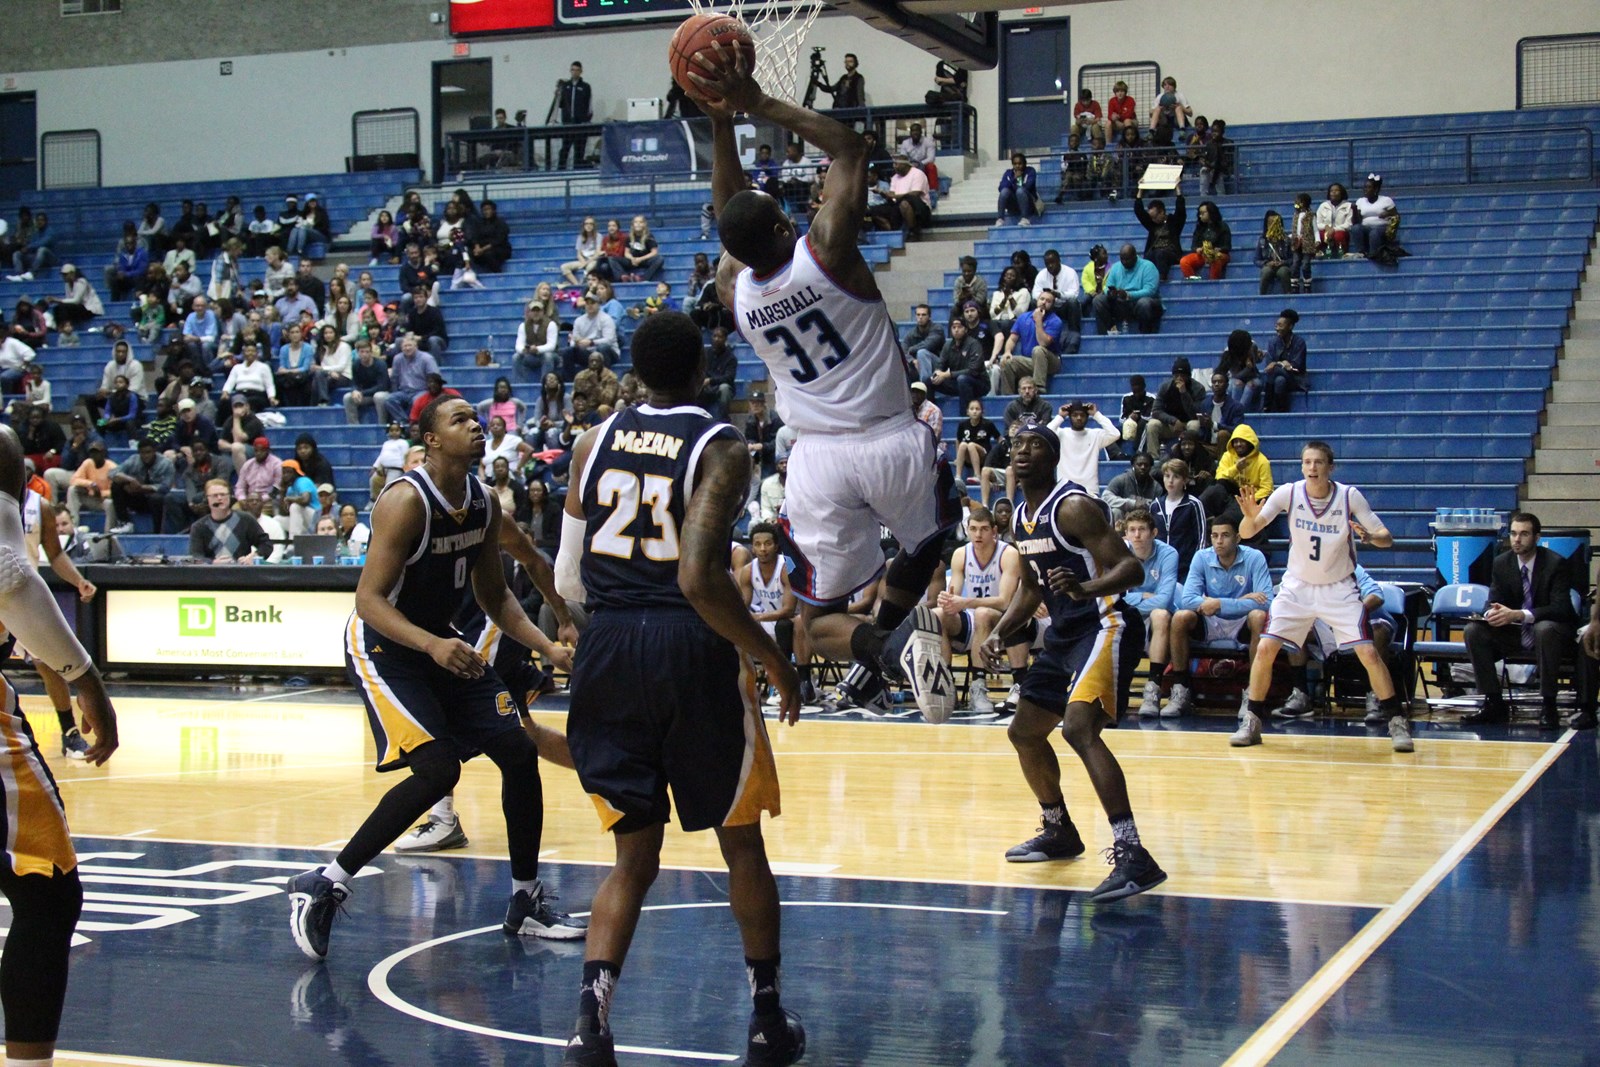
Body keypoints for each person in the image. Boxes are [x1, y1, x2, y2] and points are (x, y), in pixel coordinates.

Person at [552, 311, 803, 1064]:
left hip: (609, 645)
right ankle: (765, 1022)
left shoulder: (591, 442)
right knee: (740, 841)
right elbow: (699, 578)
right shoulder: (721, 445)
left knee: (632, 858)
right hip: (688, 646)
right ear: (703, 371)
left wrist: (610, 629)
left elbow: (568, 579)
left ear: (636, 371)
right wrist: (771, 656)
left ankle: (590, 1027)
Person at [698, 45, 959, 723]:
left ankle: (884, 651)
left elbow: (733, 216)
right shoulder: (829, 252)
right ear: (787, 224)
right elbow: (850, 150)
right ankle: (904, 636)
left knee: (816, 622)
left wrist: (721, 125)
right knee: (929, 541)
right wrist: (755, 104)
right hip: (891, 439)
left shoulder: (739, 293)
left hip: (815, 458)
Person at [287, 395, 583, 962]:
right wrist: (433, 644)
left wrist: (547, 645)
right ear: (432, 442)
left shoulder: (484, 502)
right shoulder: (405, 502)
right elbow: (369, 601)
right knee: (437, 767)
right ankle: (324, 884)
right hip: (384, 645)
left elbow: (495, 596)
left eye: (478, 418)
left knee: (518, 752)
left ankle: (524, 902)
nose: (476, 426)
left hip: (440, 641)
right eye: (460, 421)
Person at [979, 421, 1165, 901]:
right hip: (1064, 634)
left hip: (1105, 624)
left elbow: (1131, 567)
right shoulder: (1021, 517)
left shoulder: (1074, 506)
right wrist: (1001, 632)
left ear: (1054, 455)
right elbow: (1032, 588)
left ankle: (1133, 854)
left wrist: (1084, 588)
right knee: (1023, 732)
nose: (1021, 451)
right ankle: (1059, 829)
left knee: (1079, 729)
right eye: (1016, 444)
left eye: (1034, 444)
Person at [0, 422, 120, 1067]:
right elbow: (9, 572)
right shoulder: (1, 446)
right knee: (47, 891)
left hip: (24, 618)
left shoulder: (41, 507)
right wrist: (88, 681)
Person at [1231, 441, 1411, 750]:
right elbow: (1249, 532)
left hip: (1338, 587)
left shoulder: (1348, 496)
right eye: (1307, 462)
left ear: (1331, 467)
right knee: (1265, 648)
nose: (1312, 467)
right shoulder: (1288, 492)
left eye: (1318, 462)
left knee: (1368, 653)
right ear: (1301, 466)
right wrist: (1248, 517)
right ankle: (1252, 721)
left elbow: (1386, 538)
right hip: (1297, 586)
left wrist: (1367, 536)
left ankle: (1396, 722)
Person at [1461, 510, 1577, 730]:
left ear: (1537, 538)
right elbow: (1491, 602)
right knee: (1473, 631)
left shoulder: (1556, 564)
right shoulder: (1501, 563)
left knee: (1544, 629)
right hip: (1514, 634)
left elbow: (1562, 608)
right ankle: (1494, 703)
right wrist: (1492, 614)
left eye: (1524, 534)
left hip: (1551, 634)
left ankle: (1548, 705)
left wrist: (1519, 615)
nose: (1517, 539)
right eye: (1513, 533)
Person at [936, 506, 1020, 716]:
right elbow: (953, 592)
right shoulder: (960, 554)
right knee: (937, 615)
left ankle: (979, 687)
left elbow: (1004, 602)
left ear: (994, 531)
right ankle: (946, 687)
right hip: (974, 620)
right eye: (973, 529)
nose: (978, 534)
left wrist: (965, 602)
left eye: (983, 529)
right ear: (967, 529)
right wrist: (947, 600)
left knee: (982, 612)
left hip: (1002, 622)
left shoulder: (1008, 554)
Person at [1123, 508, 1181, 718]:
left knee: (1160, 614)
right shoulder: (1119, 551)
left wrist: (1130, 600)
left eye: (1142, 530)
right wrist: (1141, 597)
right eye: (1132, 530)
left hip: (1159, 617)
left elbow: (1164, 600)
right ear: (1126, 534)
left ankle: (1153, 689)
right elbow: (1112, 598)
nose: (1136, 535)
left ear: (1154, 533)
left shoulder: (1168, 554)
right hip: (1130, 615)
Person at [996, 288, 1063, 395]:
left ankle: (1038, 388)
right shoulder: (1023, 317)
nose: (1044, 302)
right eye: (1042, 299)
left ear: (1052, 305)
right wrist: (1007, 351)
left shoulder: (1055, 321)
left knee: (1038, 350)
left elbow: (1043, 343)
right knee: (1007, 362)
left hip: (1051, 362)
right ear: (1037, 300)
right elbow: (1012, 339)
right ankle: (1008, 397)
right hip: (1030, 361)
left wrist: (1038, 321)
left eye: (1048, 301)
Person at [1046, 399, 1119, 495]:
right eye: (1075, 415)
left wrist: (1096, 414)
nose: (1079, 418)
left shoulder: (1095, 435)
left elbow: (1115, 434)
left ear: (1087, 417)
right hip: (1064, 490)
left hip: (1090, 491)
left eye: (1082, 415)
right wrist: (1060, 417)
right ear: (1070, 417)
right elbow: (1046, 433)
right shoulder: (1060, 434)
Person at [1151, 456, 1205, 581]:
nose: (1170, 481)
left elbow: (1201, 539)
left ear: (1184, 480)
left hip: (1185, 568)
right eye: (1167, 476)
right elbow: (1151, 536)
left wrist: (1196, 566)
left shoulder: (1193, 504)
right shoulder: (1155, 505)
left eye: (1176, 477)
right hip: (1160, 567)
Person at [1093, 244, 1162, 336]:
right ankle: (1107, 334)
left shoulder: (1148, 266)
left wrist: (1128, 295)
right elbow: (1107, 286)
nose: (1124, 262)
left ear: (1135, 256)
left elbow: (1150, 291)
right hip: (1122, 304)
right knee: (1098, 300)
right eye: (1122, 259)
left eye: (1127, 259)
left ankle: (1145, 335)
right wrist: (1110, 293)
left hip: (1142, 303)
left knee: (1144, 303)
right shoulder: (1116, 267)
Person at [1261, 309, 1307, 413]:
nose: (1277, 328)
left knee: (1276, 369)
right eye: (1276, 325)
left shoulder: (1299, 343)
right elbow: (1269, 366)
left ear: (1290, 326)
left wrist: (1277, 363)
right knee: (1279, 381)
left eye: (1280, 325)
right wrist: (1282, 364)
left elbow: (1297, 366)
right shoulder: (1273, 342)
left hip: (1295, 379)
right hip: (1279, 378)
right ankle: (1281, 410)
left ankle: (1266, 404)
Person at [1133, 193, 1186, 279]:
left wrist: (1179, 193)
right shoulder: (1152, 224)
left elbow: (1181, 211)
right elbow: (1139, 212)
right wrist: (1140, 192)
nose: (1153, 220)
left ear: (1162, 212)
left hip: (1171, 253)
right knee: (1148, 255)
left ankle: (1162, 277)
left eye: (1155, 217)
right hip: (1155, 252)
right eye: (1151, 218)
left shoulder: (1173, 222)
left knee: (1160, 253)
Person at [952, 398, 999, 488]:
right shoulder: (963, 424)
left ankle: (977, 475)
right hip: (969, 456)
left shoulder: (987, 424)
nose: (974, 411)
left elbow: (999, 438)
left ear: (982, 411)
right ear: (967, 412)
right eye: (972, 409)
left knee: (971, 445)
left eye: (977, 409)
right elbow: (958, 440)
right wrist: (957, 457)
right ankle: (958, 476)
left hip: (983, 455)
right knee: (963, 444)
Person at [1179, 200, 1231, 280]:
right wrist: (1197, 249)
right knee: (1184, 261)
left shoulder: (1223, 226)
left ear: (1211, 212)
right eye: (1200, 214)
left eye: (1203, 213)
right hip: (1203, 254)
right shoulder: (1199, 227)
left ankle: (1213, 282)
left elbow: (1227, 246)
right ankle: (1194, 281)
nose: (1200, 216)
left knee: (1215, 258)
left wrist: (1219, 249)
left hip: (1219, 254)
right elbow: (1193, 246)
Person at [1349, 173, 1397, 259]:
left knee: (1374, 232)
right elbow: (1355, 222)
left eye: (1368, 187)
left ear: (1376, 189)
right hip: (1366, 227)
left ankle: (1373, 253)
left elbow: (1396, 215)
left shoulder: (1386, 200)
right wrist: (1354, 210)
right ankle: (1361, 252)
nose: (1365, 189)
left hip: (1382, 227)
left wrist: (1387, 213)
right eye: (1365, 187)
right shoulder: (1360, 201)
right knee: (1355, 228)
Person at [1102, 450, 1159, 521]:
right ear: (1133, 465)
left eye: (1146, 465)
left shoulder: (1156, 487)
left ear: (1151, 467)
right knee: (1116, 511)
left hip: (1146, 519)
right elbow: (1105, 498)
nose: (1143, 467)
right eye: (1139, 464)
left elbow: (1158, 508)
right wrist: (1132, 503)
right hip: (1124, 519)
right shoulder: (1121, 479)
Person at [557, 61, 594, 169]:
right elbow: (560, 104)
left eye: (577, 70)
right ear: (570, 71)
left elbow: (589, 105)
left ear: (581, 71)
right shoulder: (565, 86)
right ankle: (560, 171)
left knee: (579, 149)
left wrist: (586, 120)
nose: (575, 72)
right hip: (568, 123)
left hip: (580, 124)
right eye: (573, 70)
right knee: (565, 148)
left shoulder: (585, 87)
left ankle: (577, 170)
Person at [996, 152, 1039, 226]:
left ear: (1024, 163)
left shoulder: (1030, 171)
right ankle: (1000, 219)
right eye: (1015, 164)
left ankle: (1025, 218)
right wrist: (1014, 179)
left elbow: (1027, 187)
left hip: (1029, 203)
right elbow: (1001, 187)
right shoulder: (1008, 173)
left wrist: (1019, 178)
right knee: (1004, 191)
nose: (1017, 166)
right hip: (1014, 204)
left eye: (1020, 163)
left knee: (1020, 191)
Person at [1256, 210, 1292, 295]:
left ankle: (1288, 294)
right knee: (1265, 272)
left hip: (1282, 265)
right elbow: (1256, 259)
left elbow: (1292, 258)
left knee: (1283, 272)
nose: (1272, 226)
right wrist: (1266, 263)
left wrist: (1284, 262)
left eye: (1274, 223)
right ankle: (1262, 295)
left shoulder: (1286, 239)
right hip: (1268, 265)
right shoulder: (1262, 240)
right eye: (1270, 223)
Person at [1316, 182, 1353, 258]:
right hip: (1326, 231)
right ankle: (1320, 254)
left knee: (1338, 235)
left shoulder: (1348, 206)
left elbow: (1348, 224)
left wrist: (1333, 229)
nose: (1333, 192)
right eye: (1331, 191)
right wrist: (1326, 227)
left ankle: (1342, 254)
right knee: (1319, 235)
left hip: (1340, 231)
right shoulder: (1323, 206)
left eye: (1336, 190)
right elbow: (1317, 223)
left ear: (1341, 192)